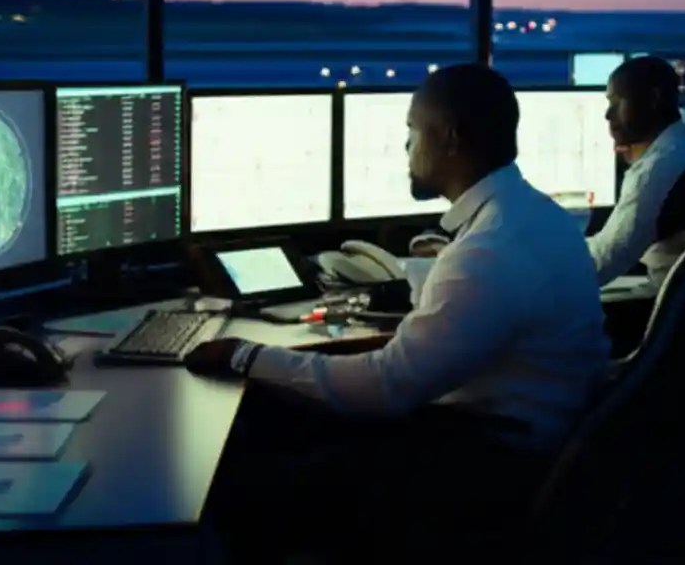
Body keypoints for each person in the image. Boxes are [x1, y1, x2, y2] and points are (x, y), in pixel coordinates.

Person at [187, 64, 610, 562]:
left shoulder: (490, 250)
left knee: (256, 485)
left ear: (449, 138)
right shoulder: (536, 216)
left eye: (412, 131)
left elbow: (386, 387)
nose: (405, 148)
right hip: (529, 445)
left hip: (491, 465)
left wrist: (245, 356)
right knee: (285, 432)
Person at [589, 56, 685, 293]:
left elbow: (604, 261)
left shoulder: (657, 169)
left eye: (617, 102)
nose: (608, 114)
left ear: (653, 99)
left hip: (663, 304)